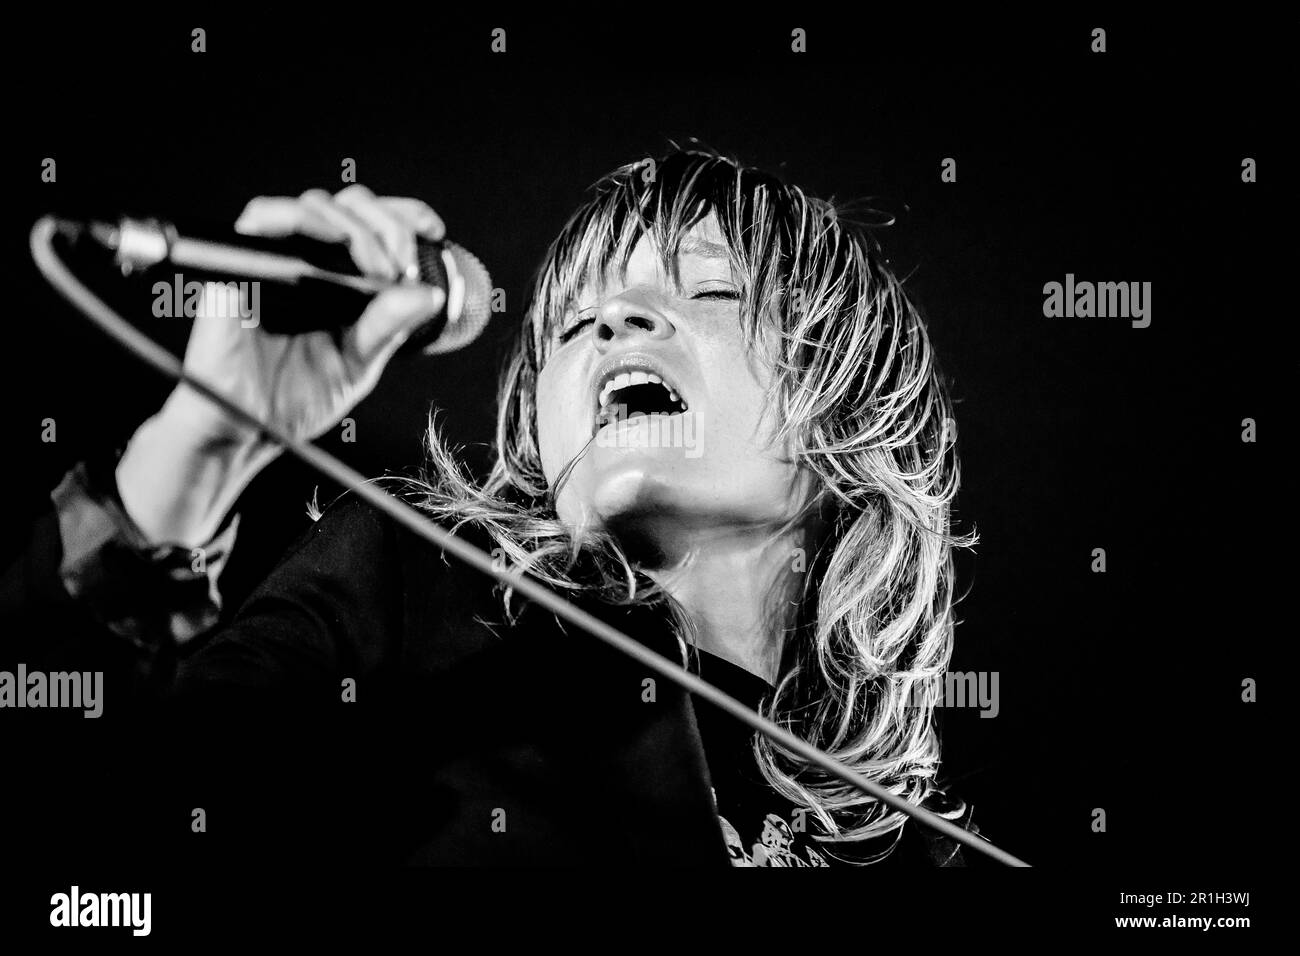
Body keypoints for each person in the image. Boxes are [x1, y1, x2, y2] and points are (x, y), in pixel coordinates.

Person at [4, 148, 985, 866]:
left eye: (713, 289)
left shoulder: (919, 856)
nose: (614, 316)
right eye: (573, 317)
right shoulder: (404, 585)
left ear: (850, 424)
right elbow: (93, 843)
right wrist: (196, 455)